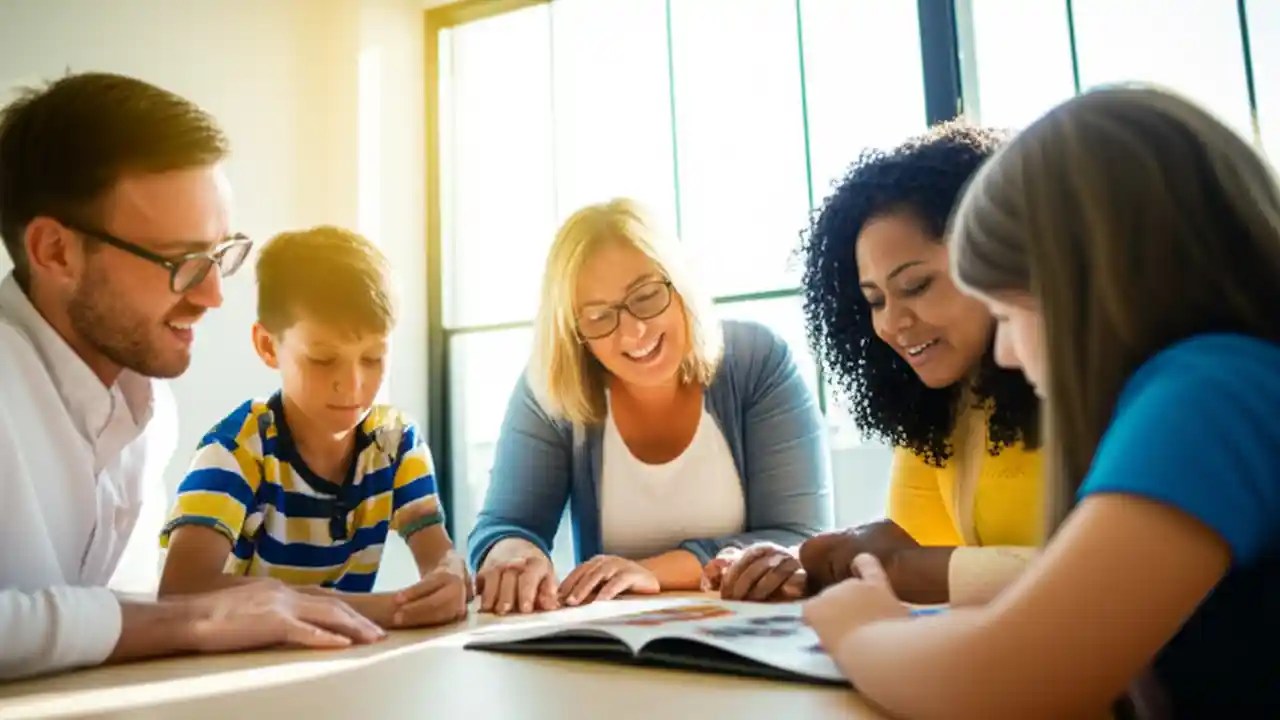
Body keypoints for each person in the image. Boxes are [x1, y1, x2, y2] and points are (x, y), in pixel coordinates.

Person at [803, 86, 1280, 717]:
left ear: (1084, 279)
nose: (1003, 355)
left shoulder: (1211, 394)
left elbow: (1008, 682)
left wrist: (860, 629)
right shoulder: (1230, 380)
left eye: (1008, 311)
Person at [0, 72, 384, 681]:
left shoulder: (145, 405)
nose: (212, 296)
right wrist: (195, 619)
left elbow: (108, 621)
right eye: (182, 262)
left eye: (221, 254)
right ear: (55, 252)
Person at [707, 123, 1041, 605]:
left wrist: (887, 566)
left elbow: (1098, 575)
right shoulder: (938, 413)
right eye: (874, 300)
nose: (891, 323)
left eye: (917, 286)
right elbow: (916, 562)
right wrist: (806, 569)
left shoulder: (1092, 385)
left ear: (995, 255)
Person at [467, 198, 833, 615]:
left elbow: (802, 535)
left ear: (680, 286)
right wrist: (515, 555)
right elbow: (504, 526)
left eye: (645, 296)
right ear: (574, 332)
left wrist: (653, 572)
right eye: (599, 316)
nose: (634, 332)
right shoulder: (553, 389)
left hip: (754, 635)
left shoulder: (756, 361)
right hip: (621, 647)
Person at [157, 226, 469, 628]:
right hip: (234, 669)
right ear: (269, 347)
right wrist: (377, 609)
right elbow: (182, 588)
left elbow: (438, 554)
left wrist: (448, 577)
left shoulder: (395, 445)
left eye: (373, 358)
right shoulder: (237, 452)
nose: (354, 385)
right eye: (323, 360)